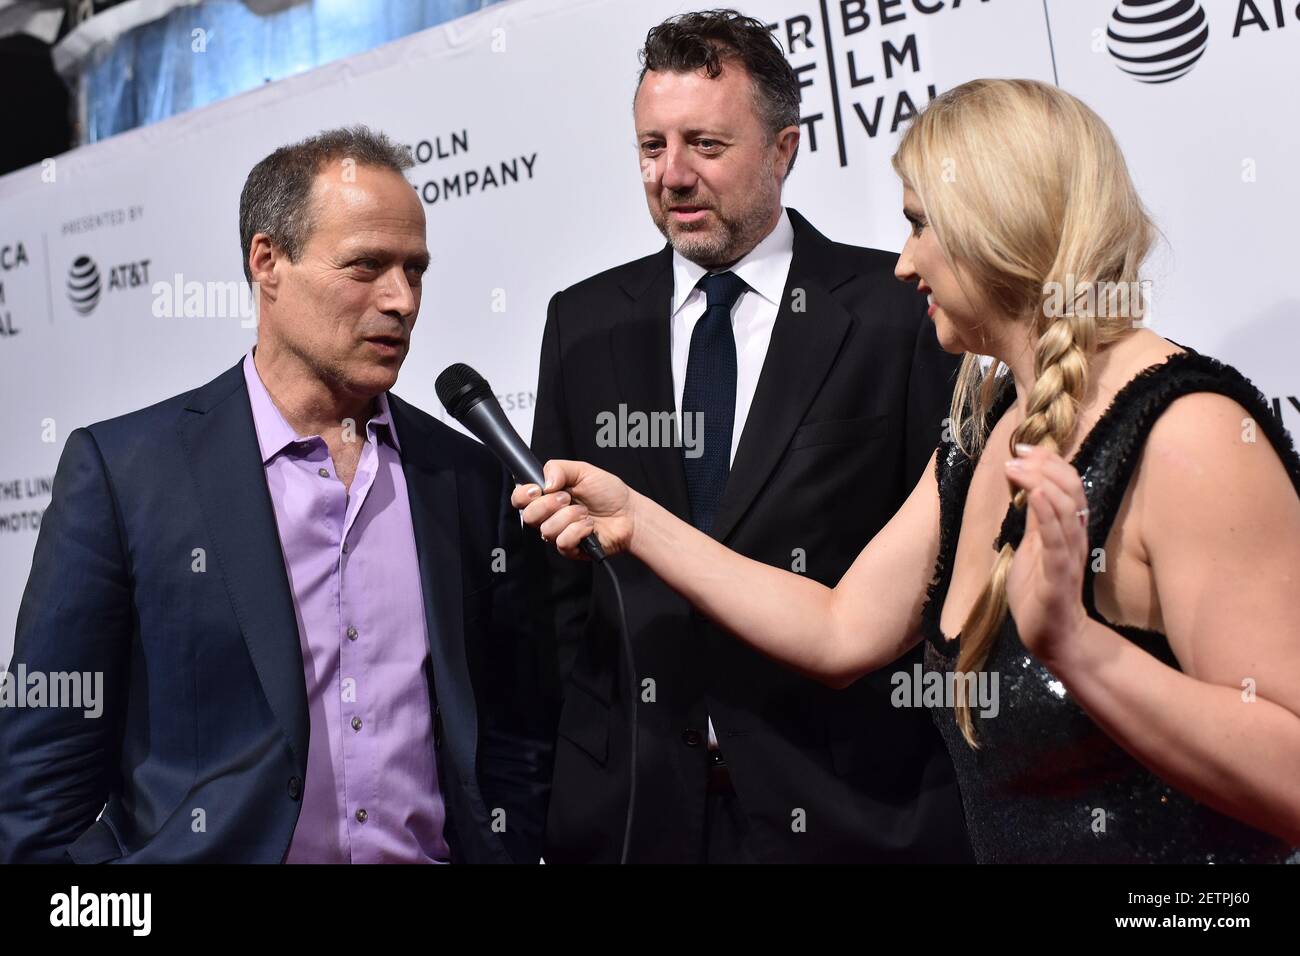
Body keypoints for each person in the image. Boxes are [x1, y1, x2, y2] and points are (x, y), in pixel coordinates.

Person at [517, 79, 1300, 863]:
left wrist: (1080, 650)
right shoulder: (986, 425)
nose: (902, 263)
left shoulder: (1187, 432)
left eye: (920, 225)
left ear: (1000, 225)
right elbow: (838, 630)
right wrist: (636, 518)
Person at [0, 126, 552, 864]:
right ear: (268, 262)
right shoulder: (126, 473)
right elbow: (43, 778)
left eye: (415, 270)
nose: (401, 299)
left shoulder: (464, 477)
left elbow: (511, 735)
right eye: (366, 266)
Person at [528, 9, 969, 863]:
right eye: (652, 148)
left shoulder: (900, 312)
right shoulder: (580, 325)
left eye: (706, 145)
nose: (674, 176)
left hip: (855, 812)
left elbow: (946, 587)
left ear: (784, 150)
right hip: (633, 818)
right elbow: (559, 601)